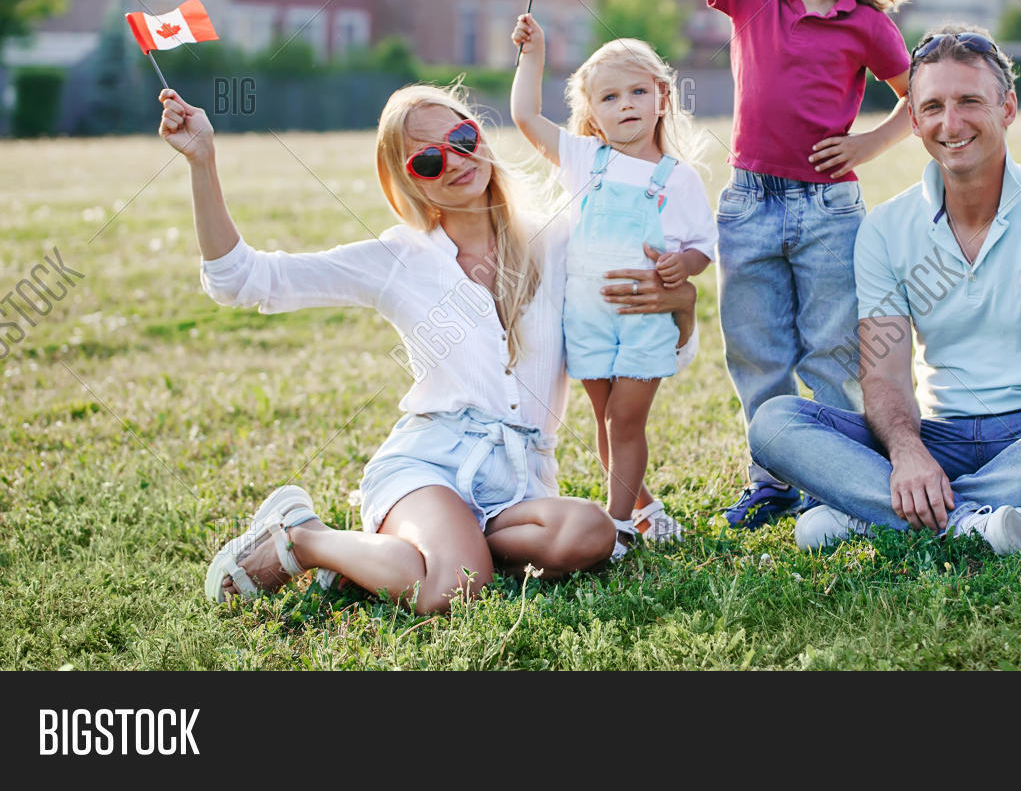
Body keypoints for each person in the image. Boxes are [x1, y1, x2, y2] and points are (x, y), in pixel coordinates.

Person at [158, 81, 701, 615]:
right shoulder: (403, 258)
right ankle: (304, 537)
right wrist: (202, 162)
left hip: (519, 483)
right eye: (427, 161)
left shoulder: (561, 239)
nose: (456, 161)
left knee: (591, 533)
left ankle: (411, 557)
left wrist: (682, 300)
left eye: (462, 138)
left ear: (481, 138)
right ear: (408, 183)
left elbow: (649, 352)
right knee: (455, 590)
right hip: (429, 465)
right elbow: (239, 279)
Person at [591, 0, 921, 528]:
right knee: (758, 352)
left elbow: (920, 101)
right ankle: (773, 479)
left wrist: (868, 146)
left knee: (831, 353)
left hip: (829, 210)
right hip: (748, 203)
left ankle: (840, 485)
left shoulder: (867, 26)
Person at [748, 27, 1021, 553]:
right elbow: (883, 373)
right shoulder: (887, 228)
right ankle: (973, 520)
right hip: (940, 436)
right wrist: (908, 451)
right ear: (913, 120)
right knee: (774, 423)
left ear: (1008, 108)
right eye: (932, 106)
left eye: (970, 102)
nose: (950, 124)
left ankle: (887, 513)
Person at [510, 14, 715, 556]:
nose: (625, 104)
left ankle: (618, 523)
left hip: (644, 317)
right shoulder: (583, 161)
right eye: (609, 97)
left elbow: (702, 247)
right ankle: (643, 506)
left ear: (662, 98)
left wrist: (683, 266)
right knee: (604, 422)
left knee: (626, 420)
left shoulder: (678, 177)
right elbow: (525, 115)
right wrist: (534, 55)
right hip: (587, 315)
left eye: (637, 91)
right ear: (593, 117)